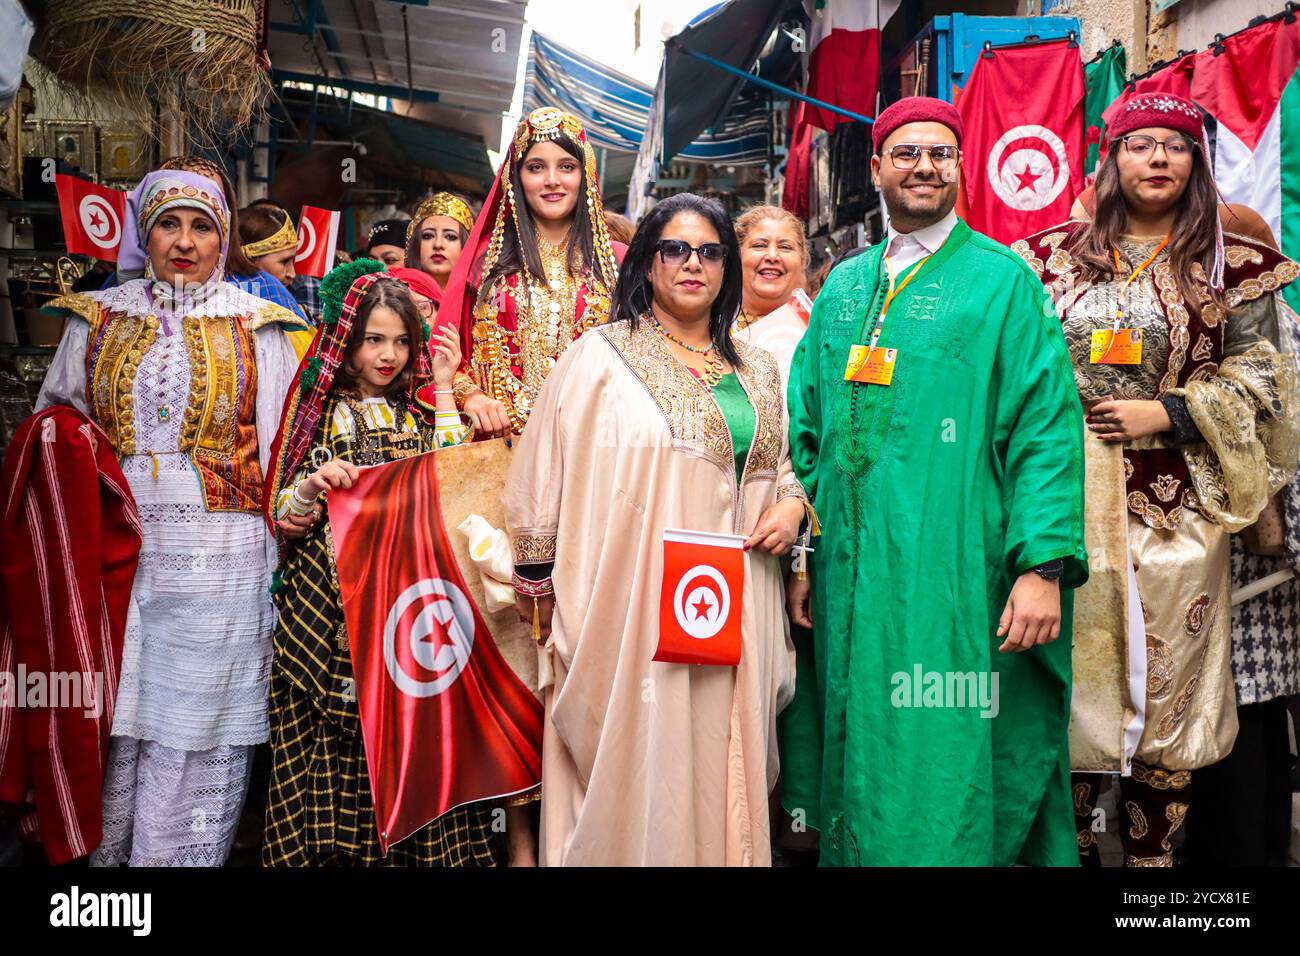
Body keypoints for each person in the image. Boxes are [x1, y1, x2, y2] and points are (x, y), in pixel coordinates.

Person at [782, 96, 1088, 866]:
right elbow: (807, 428)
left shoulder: (1001, 283)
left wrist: (1043, 566)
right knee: (858, 740)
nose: (924, 167)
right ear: (876, 168)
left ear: (961, 168)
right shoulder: (844, 287)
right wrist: (808, 558)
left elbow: (1045, 427)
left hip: (955, 573)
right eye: (907, 153)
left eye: (940, 154)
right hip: (852, 577)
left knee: (939, 745)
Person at [1013, 91, 1300, 867]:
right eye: (1140, 144)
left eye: (1175, 146)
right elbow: (1010, 372)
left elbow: (1270, 382)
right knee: (1072, 685)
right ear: (1112, 158)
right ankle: (1069, 851)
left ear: (1196, 162)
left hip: (1178, 511)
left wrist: (1168, 411)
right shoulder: (1043, 259)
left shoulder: (1236, 265)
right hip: (1064, 501)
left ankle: (1152, 868)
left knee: (1164, 697)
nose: (1158, 159)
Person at [503, 193, 808, 865]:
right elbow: (540, 472)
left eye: (710, 252)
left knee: (726, 753)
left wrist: (791, 508)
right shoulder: (598, 358)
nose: (693, 264)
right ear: (646, 262)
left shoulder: (758, 366)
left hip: (738, 603)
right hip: (634, 610)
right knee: (649, 753)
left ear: (726, 267)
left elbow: (785, 464)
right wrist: (537, 574)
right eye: (675, 249)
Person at [35, 167, 307, 866]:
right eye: (168, 224)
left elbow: (283, 449)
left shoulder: (260, 324)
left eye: (202, 227)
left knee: (199, 726)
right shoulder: (95, 316)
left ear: (223, 240)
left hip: (223, 559)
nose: (184, 242)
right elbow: (54, 424)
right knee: (116, 718)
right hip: (116, 552)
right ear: (145, 234)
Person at [260, 260, 507, 866]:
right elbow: (285, 514)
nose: (389, 355)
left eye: (401, 341)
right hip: (329, 609)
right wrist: (312, 486)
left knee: (404, 733)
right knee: (337, 735)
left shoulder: (418, 416)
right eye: (374, 339)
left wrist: (444, 385)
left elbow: (450, 477)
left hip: (405, 605)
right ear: (347, 344)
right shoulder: (320, 414)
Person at [427, 108, 623, 438]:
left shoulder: (617, 263)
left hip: (594, 446)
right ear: (515, 177)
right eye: (536, 167)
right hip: (500, 447)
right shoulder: (482, 261)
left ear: (586, 174)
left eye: (566, 167)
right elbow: (442, 356)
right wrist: (471, 396)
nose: (552, 180)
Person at [404, 193, 473, 298]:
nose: (438, 244)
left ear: (467, 245)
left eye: (450, 237)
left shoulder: (484, 299)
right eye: (428, 236)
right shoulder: (395, 297)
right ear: (416, 244)